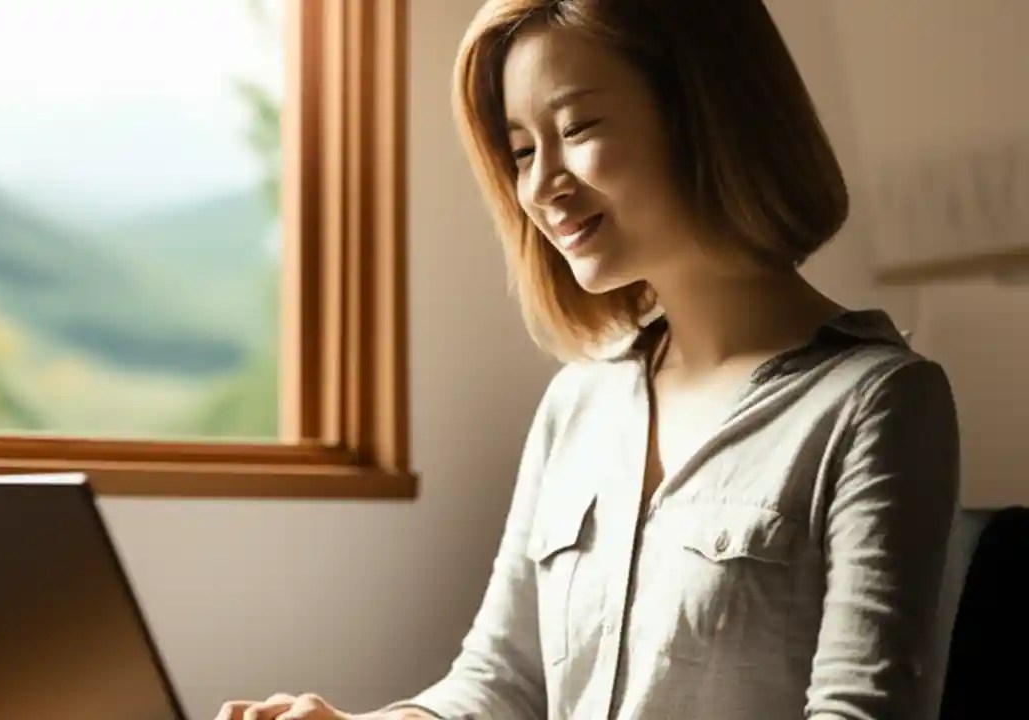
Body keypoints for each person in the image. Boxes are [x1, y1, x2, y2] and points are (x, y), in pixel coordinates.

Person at [214, 0, 960, 718]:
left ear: (704, 115)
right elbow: (502, 684)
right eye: (523, 152)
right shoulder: (579, 404)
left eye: (578, 128)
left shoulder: (877, 403)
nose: (540, 187)